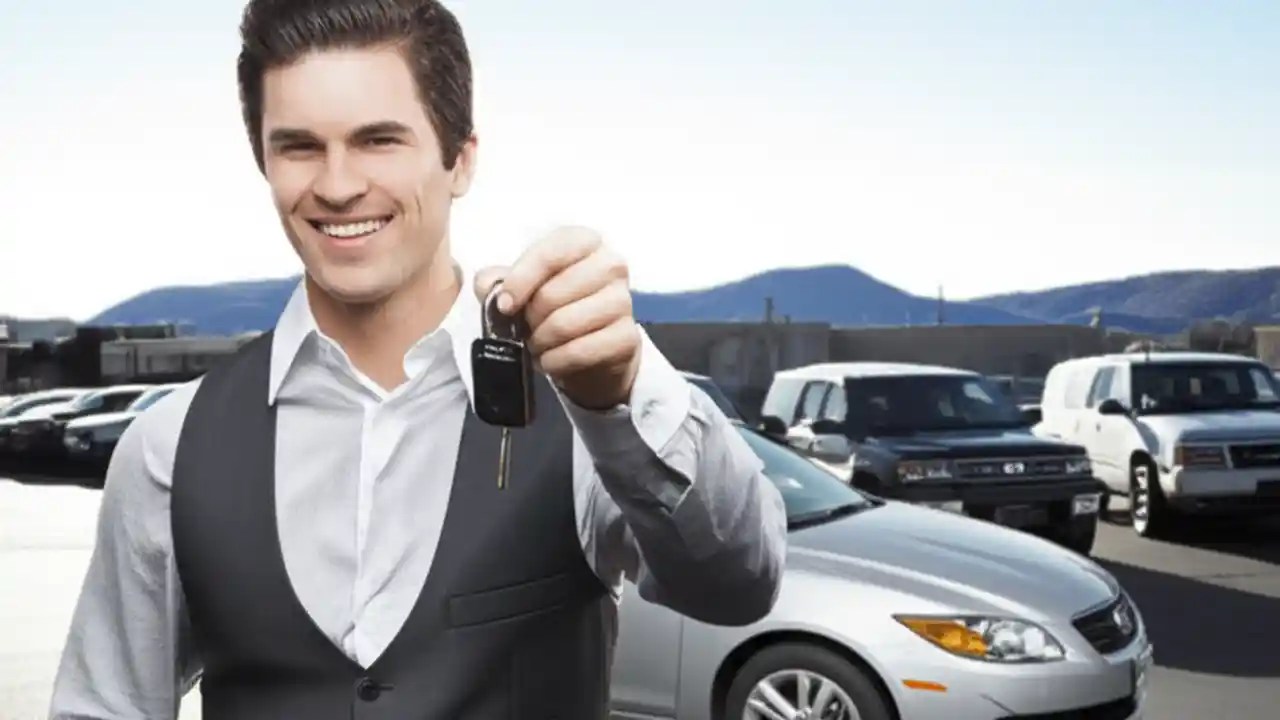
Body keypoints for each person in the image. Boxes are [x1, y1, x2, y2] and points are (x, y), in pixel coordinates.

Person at [48, 1, 788, 718]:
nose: (338, 186)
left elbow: (738, 583)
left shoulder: (585, 411)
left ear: (460, 159)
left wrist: (621, 394)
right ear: (263, 161)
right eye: (299, 146)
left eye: (379, 139)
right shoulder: (170, 448)